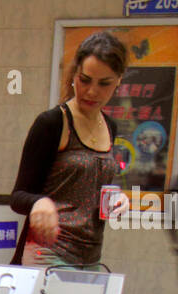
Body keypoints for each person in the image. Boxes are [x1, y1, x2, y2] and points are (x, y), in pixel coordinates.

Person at [9, 30, 127, 269]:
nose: (92, 91)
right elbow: (18, 196)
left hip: (91, 257)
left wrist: (117, 198)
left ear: (118, 81)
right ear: (74, 75)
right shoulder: (53, 123)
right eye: (85, 80)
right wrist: (39, 202)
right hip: (49, 252)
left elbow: (90, 187)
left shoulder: (111, 127)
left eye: (104, 84)